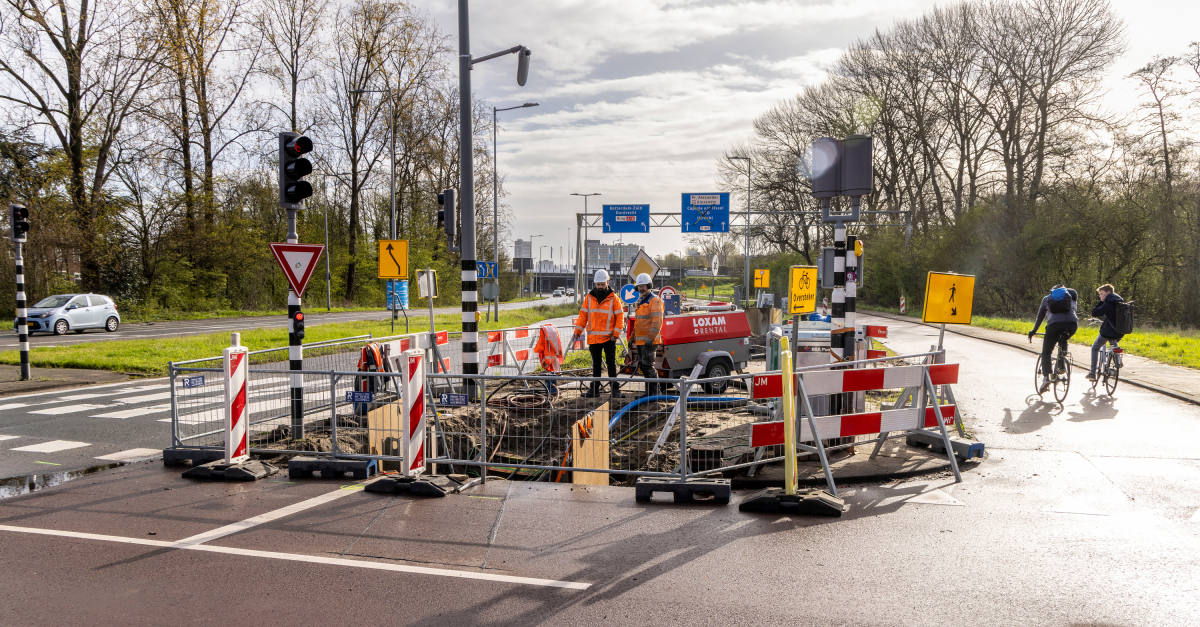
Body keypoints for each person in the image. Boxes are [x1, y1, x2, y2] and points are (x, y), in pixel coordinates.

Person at [571, 269, 625, 398]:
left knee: (611, 364)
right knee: (596, 366)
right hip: (594, 338)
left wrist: (615, 335)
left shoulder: (614, 298)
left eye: (602, 284)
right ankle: (594, 390)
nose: (600, 287)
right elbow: (583, 316)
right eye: (598, 284)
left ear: (607, 282)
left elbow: (620, 318)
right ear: (595, 283)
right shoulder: (589, 298)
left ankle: (615, 390)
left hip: (609, 338)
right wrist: (577, 331)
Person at [1027, 283, 1078, 394]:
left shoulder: (1047, 298)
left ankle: (1046, 379)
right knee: (1063, 338)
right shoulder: (1071, 297)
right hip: (1073, 325)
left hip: (1054, 325)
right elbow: (1074, 311)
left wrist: (1034, 330)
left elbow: (1040, 316)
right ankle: (1061, 364)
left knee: (1046, 352)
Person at [630, 272, 664, 398]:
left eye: (643, 286)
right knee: (643, 366)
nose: (641, 288)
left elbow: (657, 322)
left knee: (648, 366)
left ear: (649, 285)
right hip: (641, 342)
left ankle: (656, 394)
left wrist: (650, 338)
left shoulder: (655, 301)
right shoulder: (641, 301)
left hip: (649, 342)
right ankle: (648, 393)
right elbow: (638, 322)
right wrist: (632, 337)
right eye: (639, 286)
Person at [1087, 284, 1125, 381]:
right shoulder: (1120, 302)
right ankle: (1117, 359)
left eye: (1102, 294)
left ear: (1108, 293)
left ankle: (1092, 373)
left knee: (1095, 347)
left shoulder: (1109, 303)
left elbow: (1095, 313)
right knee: (1113, 342)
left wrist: (1100, 302)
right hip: (1120, 331)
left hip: (1108, 332)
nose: (1100, 296)